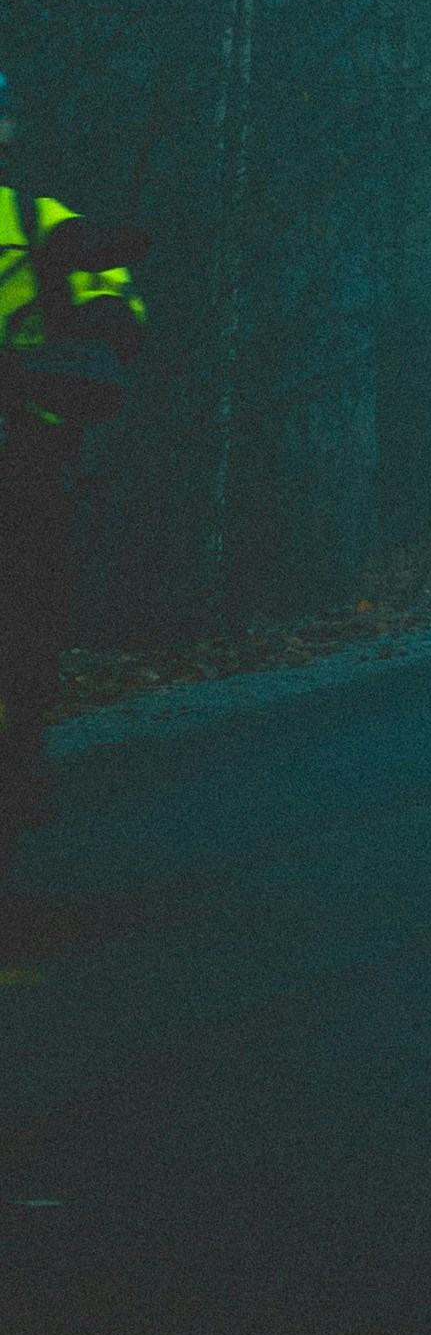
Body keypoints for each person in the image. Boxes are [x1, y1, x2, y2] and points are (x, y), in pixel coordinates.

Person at [2, 65, 146, 929]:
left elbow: (115, 317)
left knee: (30, 630)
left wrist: (89, 349)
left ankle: (20, 767)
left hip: (22, 463)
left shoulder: (41, 223)